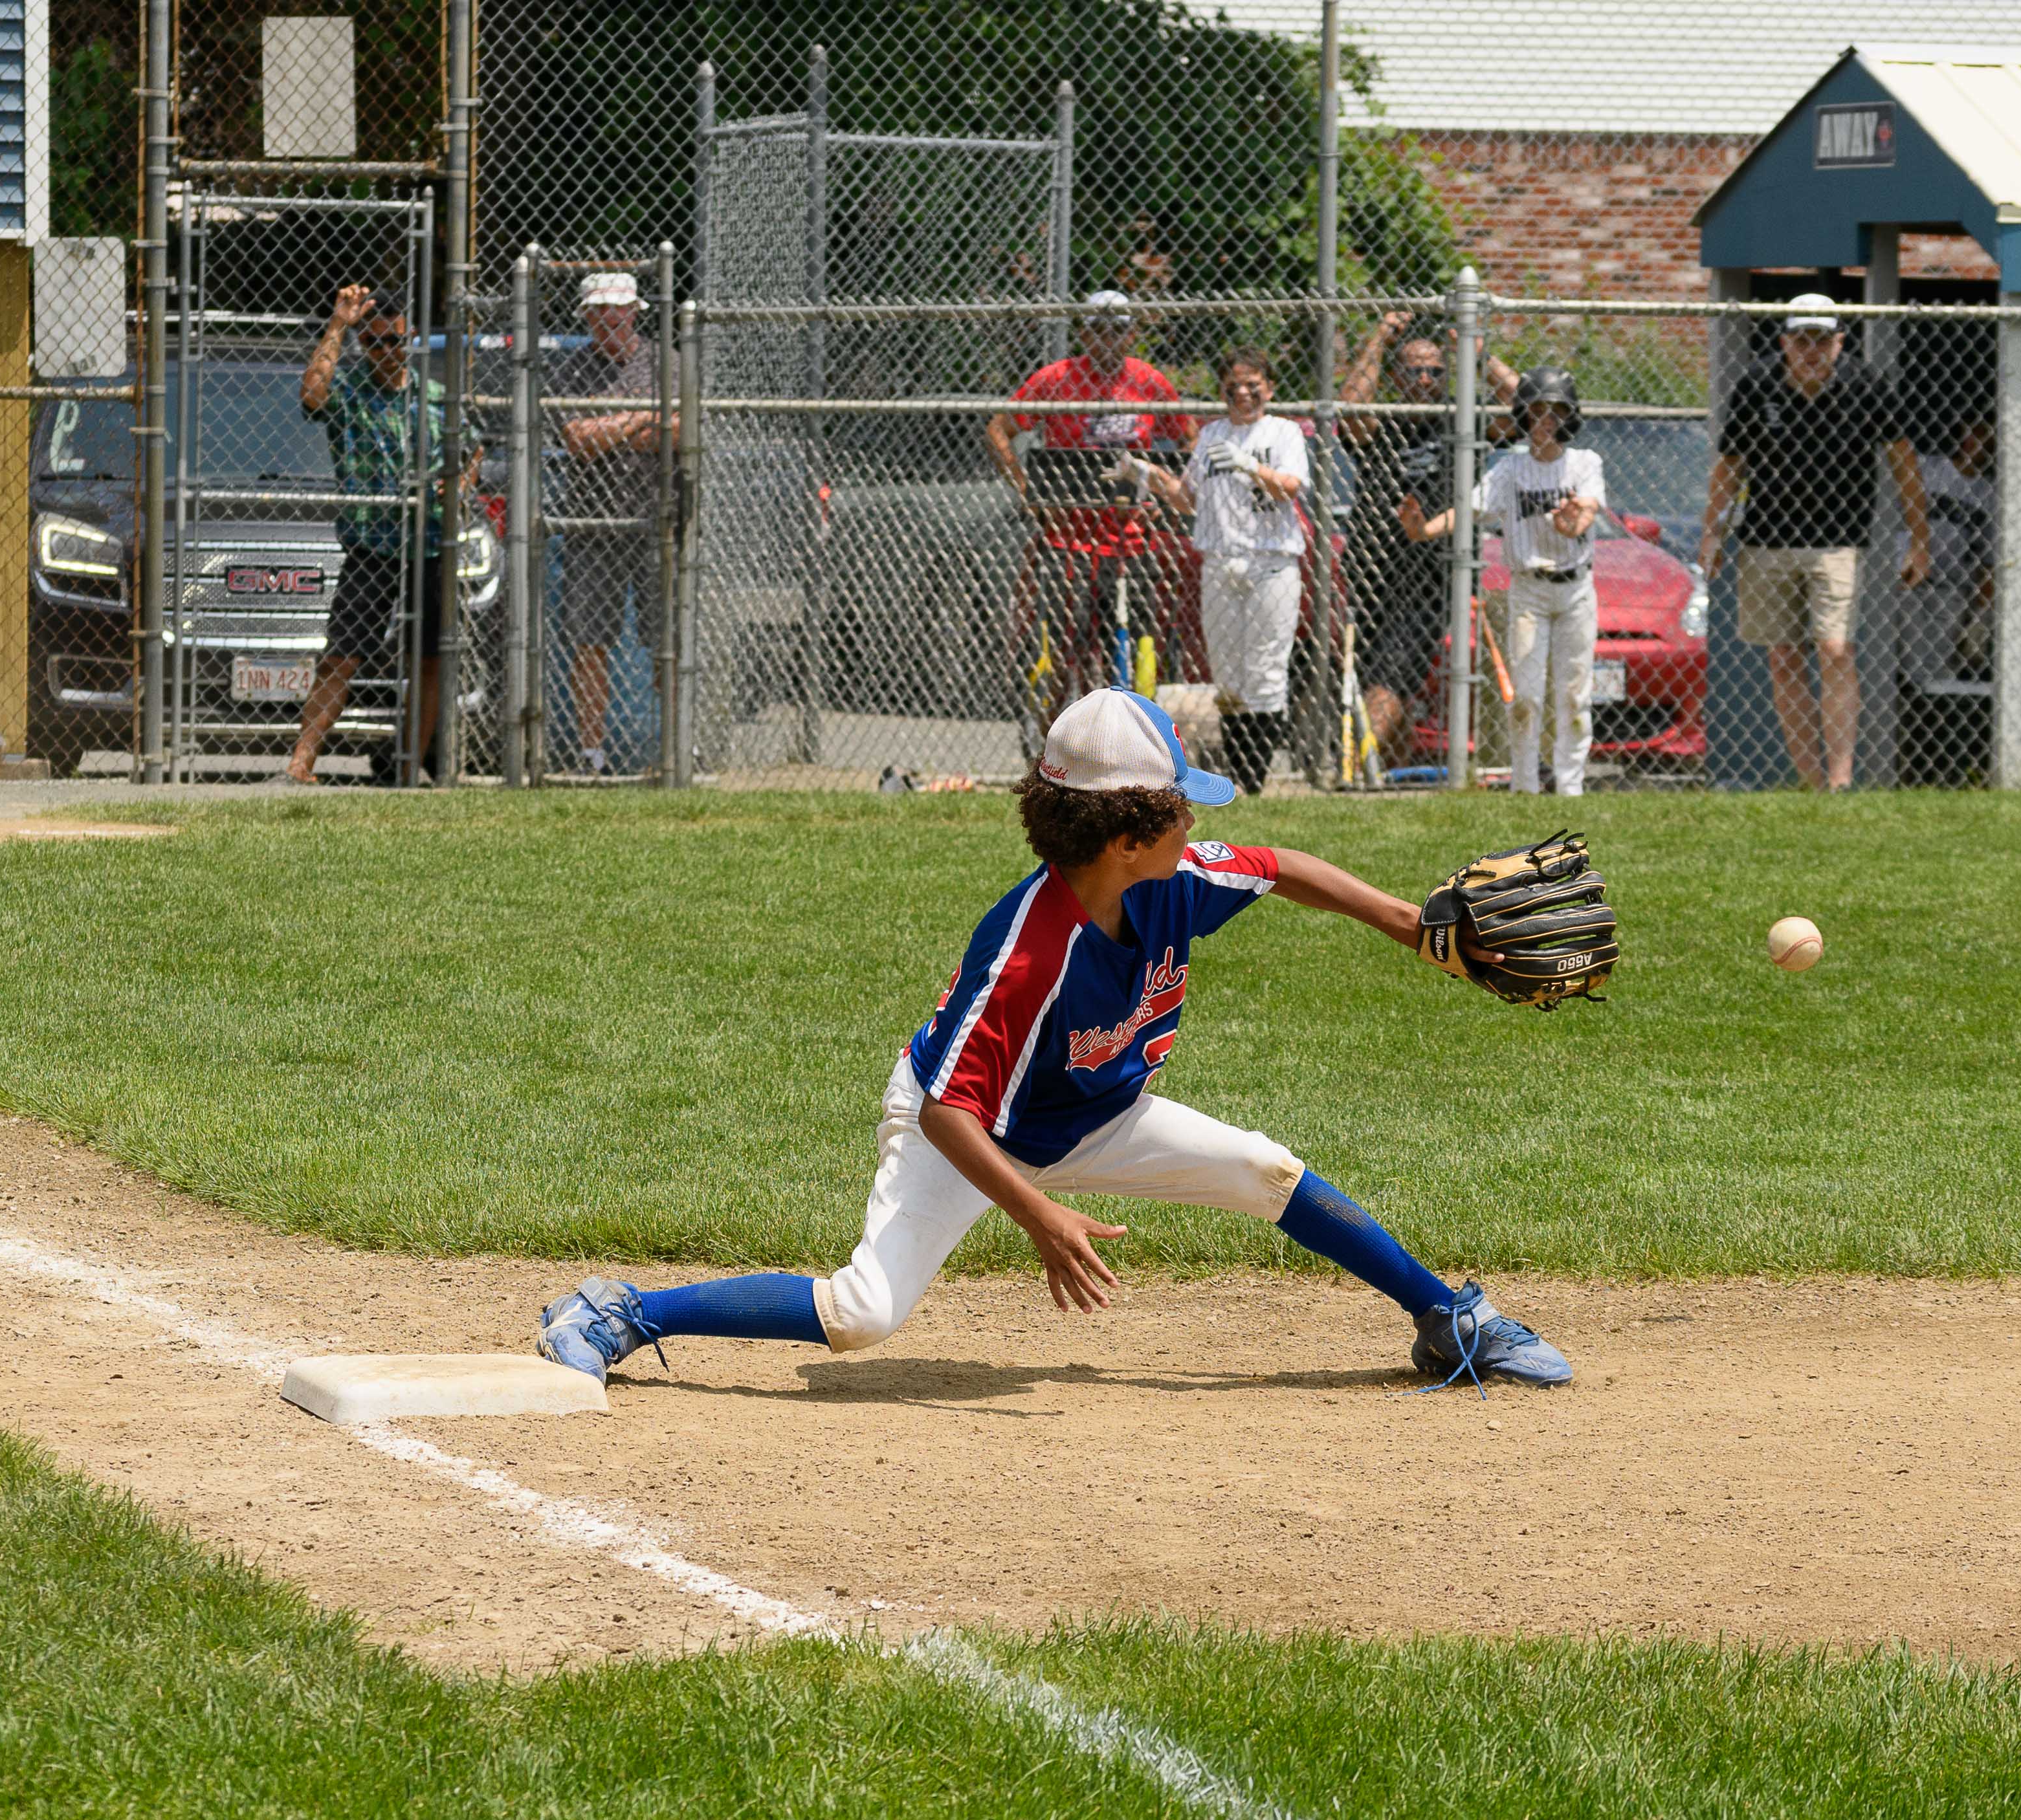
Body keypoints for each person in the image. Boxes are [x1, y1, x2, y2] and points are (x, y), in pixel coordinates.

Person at [532, 686, 1571, 1391]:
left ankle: (1448, 1324)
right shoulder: (1027, 953)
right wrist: (1036, 1216)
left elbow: (1285, 865)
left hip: (1096, 1113)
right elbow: (946, 1107)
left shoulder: (1173, 879)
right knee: (862, 1314)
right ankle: (625, 1312)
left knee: (1264, 1169)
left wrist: (1408, 926)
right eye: (1177, 812)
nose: (1195, 828)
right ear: (1123, 840)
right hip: (970, 1135)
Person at [1697, 294, 1929, 791]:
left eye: (1821, 339)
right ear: (1784, 341)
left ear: (1838, 342)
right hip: (1766, 541)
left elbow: (1902, 460)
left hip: (1838, 542)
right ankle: (1809, 780)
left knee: (1836, 649)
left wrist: (1918, 538)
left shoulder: (1864, 385)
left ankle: (1840, 782)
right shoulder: (1757, 384)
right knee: (1783, 658)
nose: (1810, 350)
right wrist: (1711, 533)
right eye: (1800, 339)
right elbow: (1729, 465)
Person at [984, 292, 1193, 729]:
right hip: (1069, 540)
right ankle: (1053, 745)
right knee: (1063, 644)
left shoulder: (1148, 382)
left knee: (1139, 645)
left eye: (1117, 328)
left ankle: (1137, 740)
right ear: (1083, 331)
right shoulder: (1055, 380)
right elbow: (999, 430)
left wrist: (1164, 496)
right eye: (1098, 328)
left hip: (1130, 537)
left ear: (1131, 333)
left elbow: (1189, 437)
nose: (1107, 338)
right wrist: (1030, 497)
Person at [1400, 367, 1606, 796]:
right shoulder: (1510, 470)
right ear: (1523, 416)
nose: (1545, 422)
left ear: (1570, 417)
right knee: (1526, 696)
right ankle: (1524, 784)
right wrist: (1424, 531)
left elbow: (1585, 512)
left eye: (1555, 412)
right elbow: (1467, 510)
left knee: (1573, 694)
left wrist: (1572, 524)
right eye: (1536, 412)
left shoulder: (1585, 463)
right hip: (1528, 589)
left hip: (1575, 591)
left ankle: (1571, 787)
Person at [288, 285, 457, 784]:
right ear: (364, 343)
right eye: (378, 342)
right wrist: (338, 324)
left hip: (427, 546)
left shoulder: (432, 398)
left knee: (428, 658)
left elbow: (467, 453)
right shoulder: (350, 391)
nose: (389, 352)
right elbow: (312, 395)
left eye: (397, 341)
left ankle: (407, 767)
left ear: (412, 340)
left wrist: (455, 486)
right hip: (372, 547)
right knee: (341, 654)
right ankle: (301, 761)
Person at [1338, 311, 1521, 752]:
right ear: (1395, 376)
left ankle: (1352, 767)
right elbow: (1349, 413)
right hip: (1372, 568)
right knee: (1378, 677)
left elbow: (1524, 405)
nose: (1424, 378)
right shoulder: (1383, 422)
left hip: (1434, 574)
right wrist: (1379, 337)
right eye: (1413, 370)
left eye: (1435, 371)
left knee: (1390, 672)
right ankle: (1391, 774)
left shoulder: (1465, 424)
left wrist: (1478, 354)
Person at [1164, 347, 1307, 794]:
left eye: (1252, 385)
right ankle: (1239, 781)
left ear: (1268, 388)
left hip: (1270, 563)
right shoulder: (1209, 435)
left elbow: (1289, 487)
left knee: (1265, 671)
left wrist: (1248, 464)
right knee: (1227, 675)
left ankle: (1256, 780)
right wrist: (1148, 475)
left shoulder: (1283, 431)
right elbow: (1188, 497)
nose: (1243, 393)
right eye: (1233, 385)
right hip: (1221, 563)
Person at [551, 270, 668, 775]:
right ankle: (591, 754)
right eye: (599, 311)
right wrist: (642, 418)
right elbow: (577, 438)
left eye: (618, 309)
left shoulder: (667, 361)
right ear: (587, 316)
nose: (610, 319)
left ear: (635, 311)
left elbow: (680, 431)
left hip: (657, 518)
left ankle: (674, 751)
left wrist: (611, 426)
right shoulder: (572, 370)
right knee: (589, 640)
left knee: (666, 641)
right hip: (593, 524)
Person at [1896, 418, 1996, 786]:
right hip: (1903, 585)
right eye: (1978, 431)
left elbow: (1987, 565)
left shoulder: (1990, 494)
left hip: (1951, 592)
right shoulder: (1928, 470)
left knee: (1932, 679)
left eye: (1990, 435)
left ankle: (1926, 764)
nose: (1983, 441)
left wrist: (1977, 620)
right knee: (1896, 671)